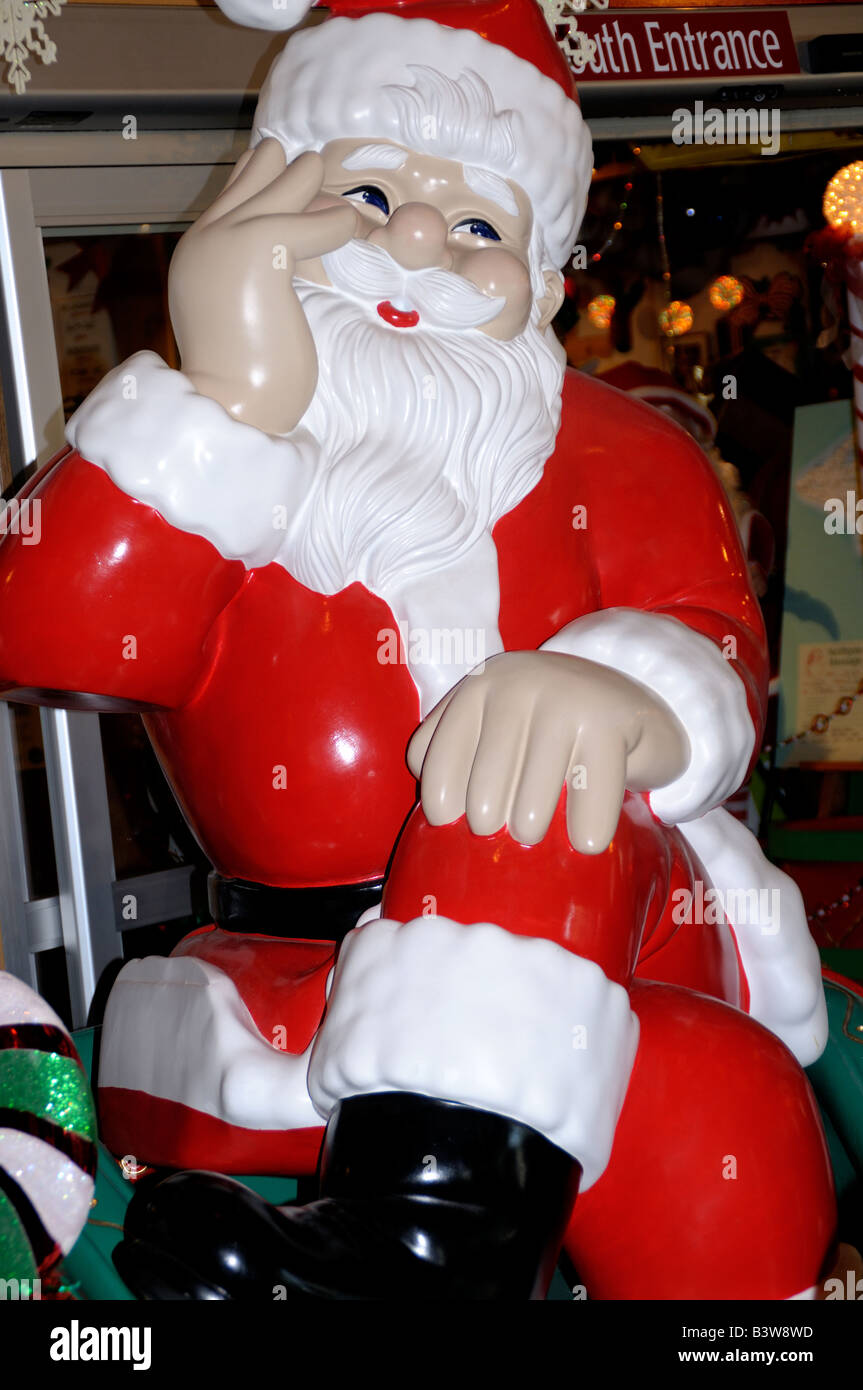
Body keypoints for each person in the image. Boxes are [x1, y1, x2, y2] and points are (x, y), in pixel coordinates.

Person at [0, 0, 834, 1299]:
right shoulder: (223, 452)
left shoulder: (624, 457)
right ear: (269, 201)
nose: (422, 245)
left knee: (550, 799)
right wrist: (225, 395)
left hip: (625, 932)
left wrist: (620, 694)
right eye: (373, 191)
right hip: (286, 990)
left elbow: (720, 658)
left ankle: (410, 1253)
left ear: (546, 276)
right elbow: (44, 628)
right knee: (692, 1094)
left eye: (482, 224)